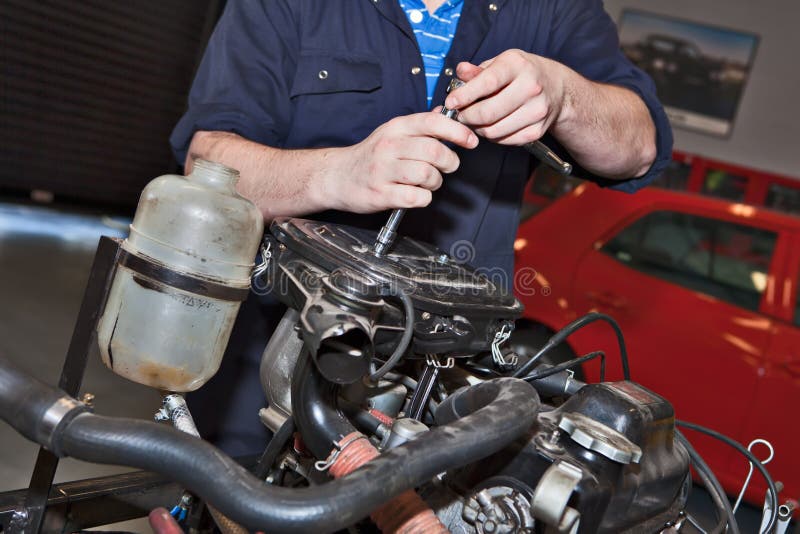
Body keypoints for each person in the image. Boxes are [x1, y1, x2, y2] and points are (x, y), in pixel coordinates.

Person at [169, 0, 673, 455]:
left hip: (444, 388)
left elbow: (638, 148)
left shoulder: (552, 9)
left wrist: (563, 95)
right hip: (269, 361)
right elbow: (206, 160)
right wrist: (339, 173)